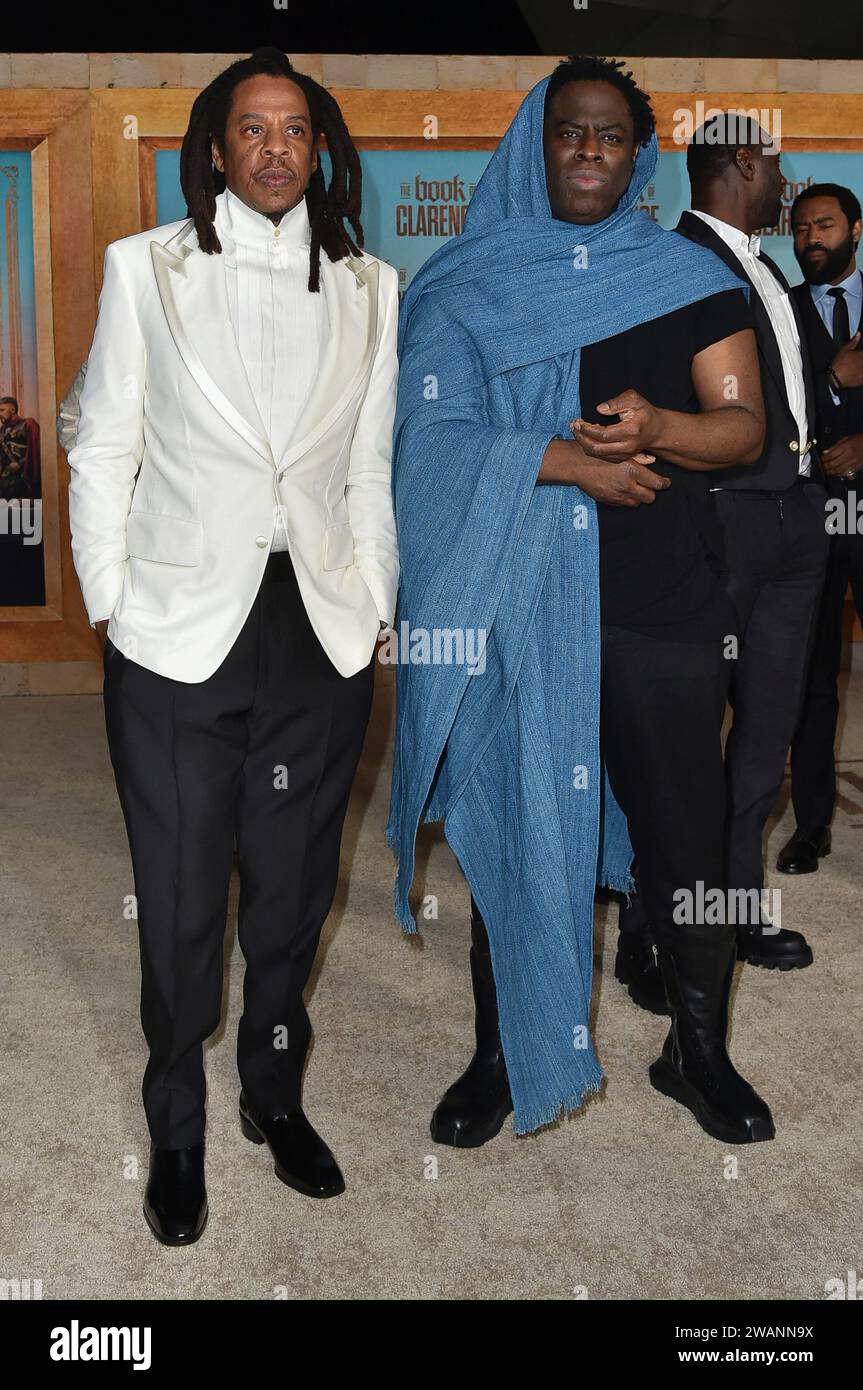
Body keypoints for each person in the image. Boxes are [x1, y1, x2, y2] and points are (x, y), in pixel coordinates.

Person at [388, 56, 774, 1151]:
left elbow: (741, 430)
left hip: (659, 609)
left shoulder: (681, 278)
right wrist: (561, 461)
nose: (590, 153)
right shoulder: (467, 280)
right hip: (514, 604)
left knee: (685, 847)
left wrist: (655, 430)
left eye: (611, 137)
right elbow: (425, 444)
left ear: (638, 155)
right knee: (513, 824)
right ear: (534, 141)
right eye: (571, 133)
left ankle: (694, 1049)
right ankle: (502, 1052)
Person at [64, 47, 399, 1244]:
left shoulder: (369, 286)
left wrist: (372, 602)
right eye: (250, 129)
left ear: (318, 148)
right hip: (173, 633)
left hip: (316, 628)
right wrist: (108, 599)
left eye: (293, 129)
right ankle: (176, 1125)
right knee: (181, 899)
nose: (272, 148)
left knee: (293, 895)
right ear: (215, 147)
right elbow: (101, 444)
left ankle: (273, 1093)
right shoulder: (141, 269)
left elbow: (367, 465)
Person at [669, 117, 830, 972]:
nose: (784, 179)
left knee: (765, 728)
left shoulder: (767, 267)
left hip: (795, 516)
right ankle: (670, 924)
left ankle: (735, 906)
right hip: (717, 519)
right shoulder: (675, 262)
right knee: (685, 730)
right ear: (741, 163)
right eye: (776, 162)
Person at [778, 184, 863, 873]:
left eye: (825, 225)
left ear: (854, 229)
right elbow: (769, 407)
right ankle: (809, 827)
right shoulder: (778, 311)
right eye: (802, 227)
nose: (811, 238)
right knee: (808, 678)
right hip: (807, 521)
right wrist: (831, 380)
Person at [0, 396, 41, 499]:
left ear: (12, 409)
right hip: (5, 482)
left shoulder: (28, 424)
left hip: (24, 481)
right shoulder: (1, 431)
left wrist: (19, 464)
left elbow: (35, 452)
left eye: (2, 410)